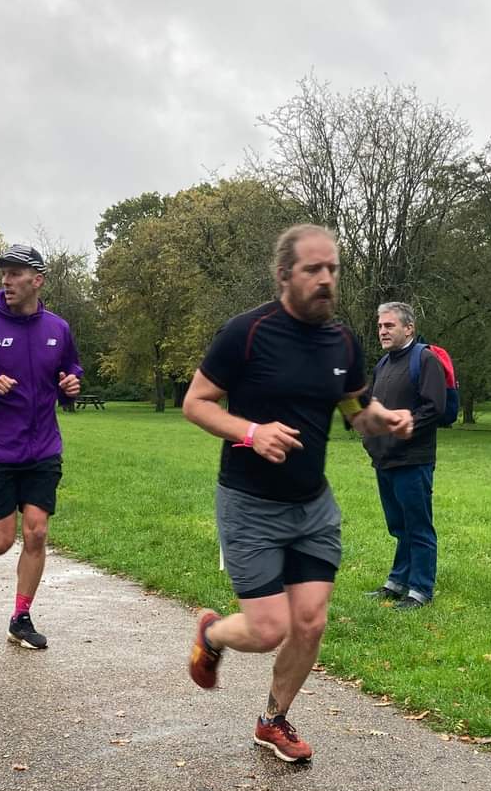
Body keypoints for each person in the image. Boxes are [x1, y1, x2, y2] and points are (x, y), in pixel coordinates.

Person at [182, 225, 414, 763]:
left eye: (332, 268)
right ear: (285, 274)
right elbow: (196, 402)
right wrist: (251, 432)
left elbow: (355, 411)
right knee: (269, 630)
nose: (326, 279)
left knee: (310, 622)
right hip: (249, 505)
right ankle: (213, 634)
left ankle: (272, 720)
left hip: (312, 505)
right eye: (314, 269)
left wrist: (386, 418)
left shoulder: (342, 342)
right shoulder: (246, 332)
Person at [0, 244, 82, 651]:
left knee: (37, 532)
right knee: (2, 540)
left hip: (43, 449)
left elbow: (70, 369)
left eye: (14, 273)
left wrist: (71, 385)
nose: (6, 280)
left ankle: (20, 618)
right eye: (3, 273)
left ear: (37, 280)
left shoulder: (58, 329)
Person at [363, 302, 446, 610]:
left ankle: (421, 589)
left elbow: (434, 408)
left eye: (390, 326)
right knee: (399, 525)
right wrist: (370, 438)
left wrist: (402, 429)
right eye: (380, 326)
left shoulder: (424, 360)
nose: (383, 331)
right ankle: (398, 582)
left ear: (409, 328)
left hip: (413, 460)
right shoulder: (383, 364)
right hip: (384, 459)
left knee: (418, 526)